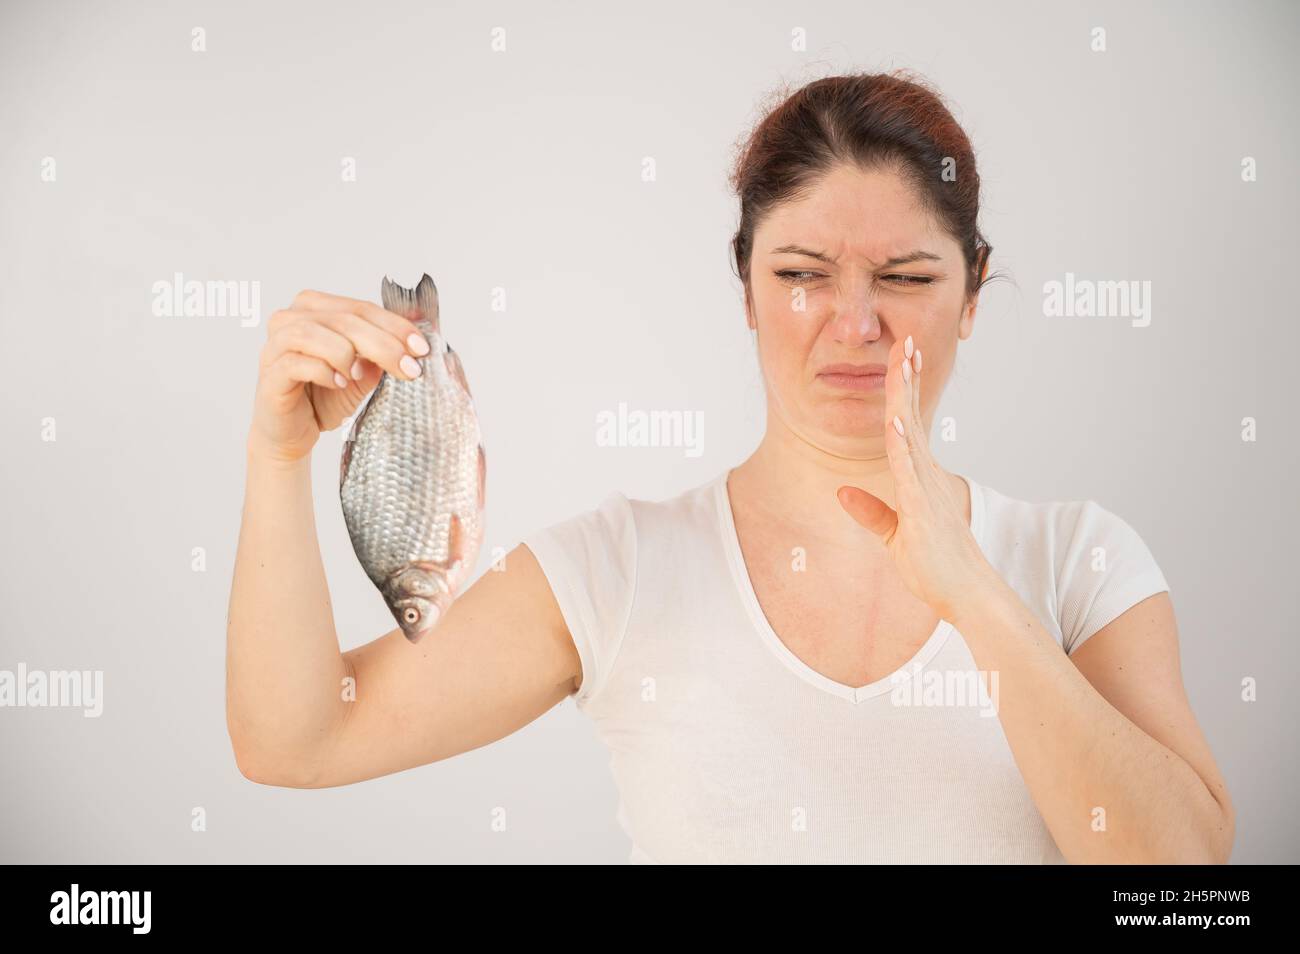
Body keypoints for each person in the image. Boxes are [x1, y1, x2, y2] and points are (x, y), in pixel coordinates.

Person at [226, 70, 1234, 864]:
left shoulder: (1080, 563)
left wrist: (972, 592)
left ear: (971, 295)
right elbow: (296, 742)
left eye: (907, 277)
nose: (854, 323)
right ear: (746, 290)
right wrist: (279, 454)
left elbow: (1185, 879)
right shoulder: (619, 568)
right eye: (799, 276)